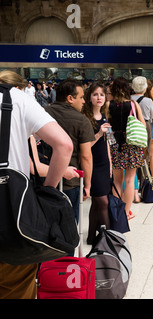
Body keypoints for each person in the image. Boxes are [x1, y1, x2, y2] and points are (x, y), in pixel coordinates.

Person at [0, 70, 73, 299]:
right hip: (9, 215)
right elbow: (64, 145)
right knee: (15, 285)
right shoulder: (15, 98)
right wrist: (49, 190)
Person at [44, 78, 95, 222]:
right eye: (81, 97)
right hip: (70, 182)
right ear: (70, 98)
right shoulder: (81, 120)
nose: (84, 101)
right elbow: (86, 156)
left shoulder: (43, 112)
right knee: (69, 225)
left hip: (43, 177)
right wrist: (87, 184)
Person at [108, 77, 146, 219]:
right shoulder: (133, 104)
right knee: (129, 180)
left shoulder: (108, 105)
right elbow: (142, 124)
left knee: (117, 179)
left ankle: (116, 211)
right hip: (132, 145)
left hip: (115, 144)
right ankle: (126, 212)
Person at [81, 82, 112, 244]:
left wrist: (111, 163)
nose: (99, 98)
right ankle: (109, 241)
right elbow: (85, 147)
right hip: (91, 164)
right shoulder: (86, 119)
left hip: (103, 163)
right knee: (103, 201)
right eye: (95, 94)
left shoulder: (104, 115)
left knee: (96, 202)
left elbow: (107, 142)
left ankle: (91, 236)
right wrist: (99, 133)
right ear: (89, 97)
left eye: (102, 94)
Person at [131, 76, 153, 163]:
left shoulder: (129, 99)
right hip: (145, 125)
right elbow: (152, 115)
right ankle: (143, 171)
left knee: (133, 149)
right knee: (145, 149)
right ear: (145, 88)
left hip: (131, 126)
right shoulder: (148, 100)